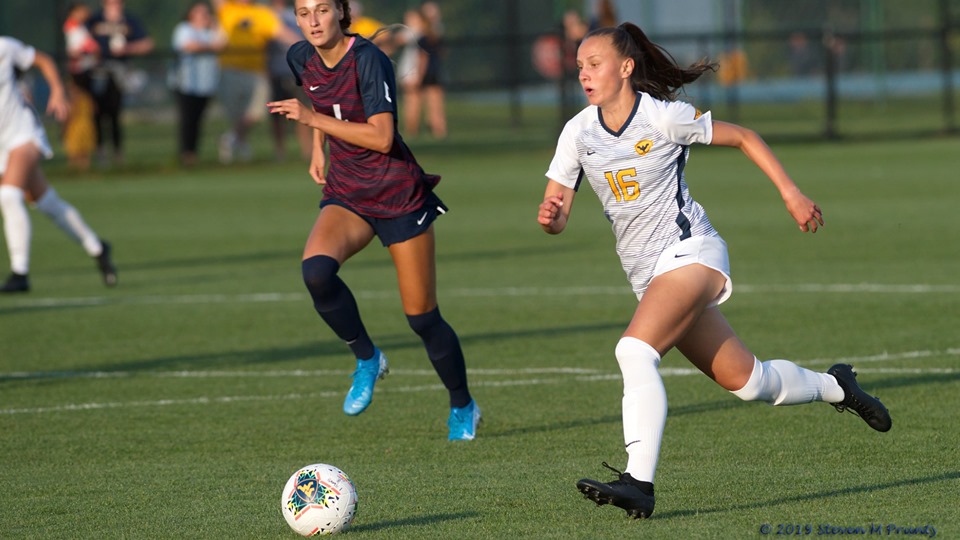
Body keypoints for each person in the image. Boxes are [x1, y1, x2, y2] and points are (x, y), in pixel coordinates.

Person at [536, 23, 891, 519]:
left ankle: (639, 482)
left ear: (626, 67)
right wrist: (552, 218)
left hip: (692, 254)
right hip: (651, 280)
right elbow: (557, 211)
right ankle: (838, 386)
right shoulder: (577, 132)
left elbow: (744, 137)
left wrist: (791, 193)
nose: (584, 74)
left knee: (633, 351)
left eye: (594, 64)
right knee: (751, 382)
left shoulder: (662, 117)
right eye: (579, 67)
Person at [267, 0, 480, 441]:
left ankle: (463, 404)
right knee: (316, 273)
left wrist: (311, 120)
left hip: (398, 194)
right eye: (303, 12)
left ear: (341, 12)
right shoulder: (299, 55)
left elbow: (382, 138)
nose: (313, 21)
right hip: (348, 192)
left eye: (322, 10)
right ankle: (367, 357)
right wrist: (317, 147)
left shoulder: (369, 59)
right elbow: (319, 99)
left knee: (422, 319)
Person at [0, 36, 117, 293]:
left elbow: (43, 60)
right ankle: (97, 247)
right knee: (45, 202)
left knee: (8, 196)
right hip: (1, 146)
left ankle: (20, 273)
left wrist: (57, 90)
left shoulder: (4, 47)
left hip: (22, 133)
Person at [212, 0, 298, 163]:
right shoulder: (227, 9)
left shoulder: (262, 13)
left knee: (258, 113)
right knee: (236, 113)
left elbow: (282, 33)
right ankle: (240, 144)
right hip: (231, 69)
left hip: (256, 71)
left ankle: (231, 138)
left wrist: (306, 45)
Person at [86, 0, 154, 166]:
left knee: (114, 113)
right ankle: (100, 151)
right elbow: (80, 39)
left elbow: (148, 44)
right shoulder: (94, 20)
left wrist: (127, 49)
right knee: (97, 112)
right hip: (98, 71)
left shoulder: (129, 21)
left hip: (120, 72)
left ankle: (117, 153)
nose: (116, 5)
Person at [172, 1, 226, 166]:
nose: (204, 16)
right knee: (188, 119)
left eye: (206, 12)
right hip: (186, 83)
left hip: (206, 84)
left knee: (198, 120)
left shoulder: (210, 31)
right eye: (200, 12)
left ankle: (193, 154)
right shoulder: (184, 29)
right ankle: (186, 154)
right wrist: (210, 47)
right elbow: (189, 46)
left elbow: (223, 43)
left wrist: (215, 24)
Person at [267, 0, 311, 162]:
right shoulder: (265, 15)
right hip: (276, 71)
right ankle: (280, 152)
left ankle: (307, 151)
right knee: (277, 115)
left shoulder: (296, 13)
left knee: (304, 111)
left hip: (298, 72)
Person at [62, 2, 100, 170]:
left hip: (85, 75)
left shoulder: (81, 28)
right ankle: (76, 155)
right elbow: (84, 48)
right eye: (82, 10)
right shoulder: (74, 28)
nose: (86, 12)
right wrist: (94, 49)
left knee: (85, 115)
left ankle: (82, 156)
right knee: (78, 115)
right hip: (79, 76)